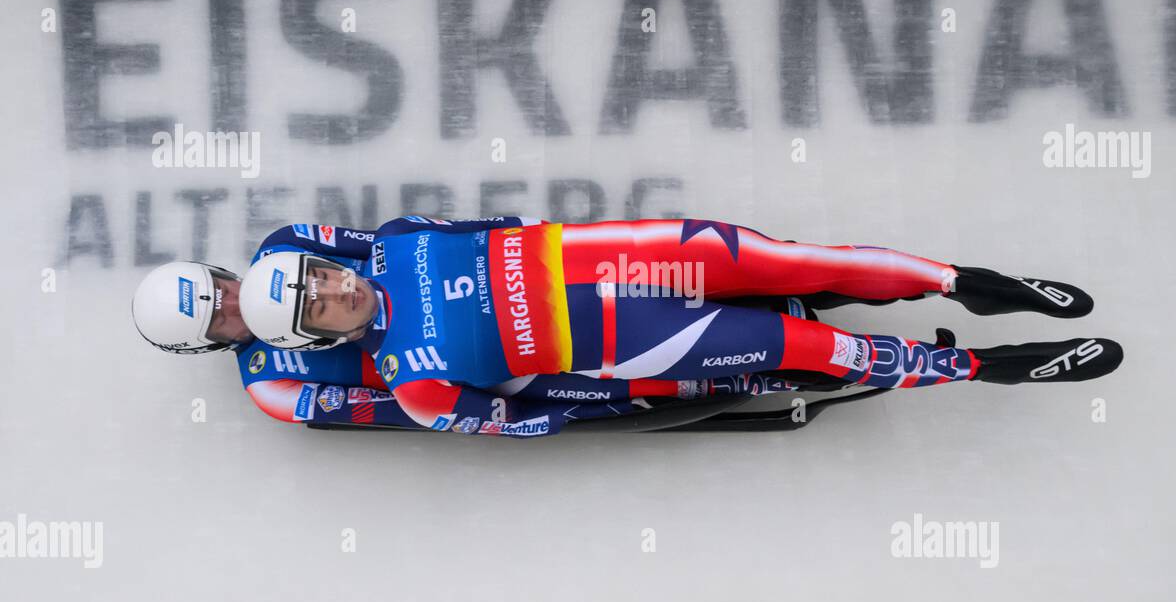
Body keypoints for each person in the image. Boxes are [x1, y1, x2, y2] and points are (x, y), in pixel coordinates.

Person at [239, 217, 1124, 438]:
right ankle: (988, 368)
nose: (332, 289)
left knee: (796, 262)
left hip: (635, 252)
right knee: (825, 350)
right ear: (320, 339)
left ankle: (966, 282)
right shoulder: (412, 383)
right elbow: (537, 418)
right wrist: (632, 402)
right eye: (316, 304)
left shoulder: (394, 243)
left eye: (320, 275)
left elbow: (492, 225)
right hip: (640, 340)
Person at [131, 217, 785, 428]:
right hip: (449, 367)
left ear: (217, 271)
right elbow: (375, 408)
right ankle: (724, 381)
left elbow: (382, 249)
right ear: (207, 346)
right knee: (562, 380)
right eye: (215, 319)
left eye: (216, 289)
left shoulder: (284, 247)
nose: (228, 304)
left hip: (458, 300)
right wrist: (453, 397)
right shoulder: (270, 388)